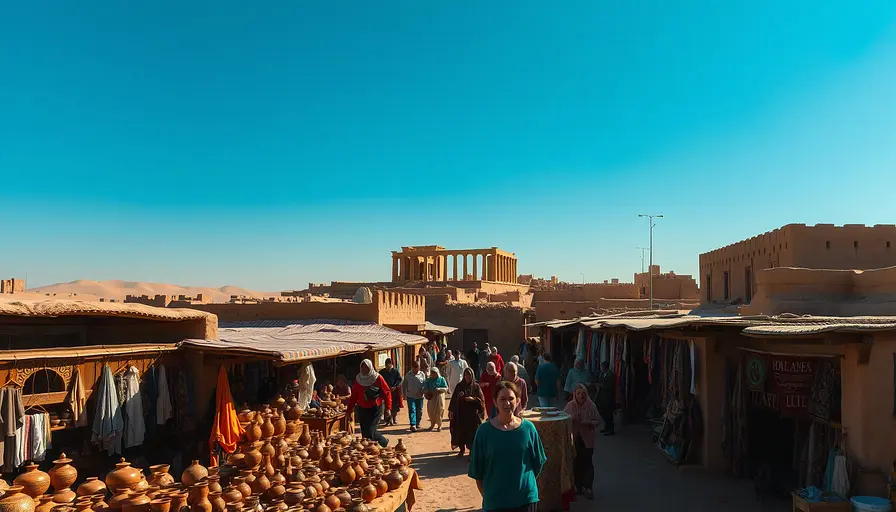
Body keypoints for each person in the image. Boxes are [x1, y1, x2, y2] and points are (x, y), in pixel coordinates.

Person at [468, 380, 546, 512]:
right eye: (502, 399)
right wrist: (489, 495)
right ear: (495, 402)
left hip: (525, 501)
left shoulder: (528, 429)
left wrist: (524, 486)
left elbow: (538, 463)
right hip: (496, 502)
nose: (507, 403)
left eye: (511, 398)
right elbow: (478, 470)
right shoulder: (484, 432)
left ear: (518, 401)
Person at [345, 359, 392, 447]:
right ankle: (369, 450)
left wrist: (388, 408)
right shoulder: (359, 379)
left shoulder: (377, 378)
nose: (364, 369)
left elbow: (387, 392)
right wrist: (349, 410)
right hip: (362, 408)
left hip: (375, 407)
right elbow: (354, 396)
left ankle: (383, 441)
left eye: (366, 367)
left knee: (371, 430)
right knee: (365, 433)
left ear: (370, 367)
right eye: (362, 367)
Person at [564, 383, 599, 499]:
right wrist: (571, 419)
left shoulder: (591, 406)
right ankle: (578, 486)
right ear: (575, 394)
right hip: (574, 438)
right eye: (578, 393)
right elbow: (564, 420)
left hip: (587, 439)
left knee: (587, 462)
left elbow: (597, 421)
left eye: (583, 393)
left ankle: (588, 487)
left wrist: (589, 422)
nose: (581, 396)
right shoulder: (570, 406)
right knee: (576, 462)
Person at [448, 367, 485, 457]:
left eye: (469, 375)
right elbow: (454, 398)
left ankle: (472, 451)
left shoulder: (476, 386)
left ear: (472, 375)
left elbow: (481, 400)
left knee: (472, 434)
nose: (467, 377)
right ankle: (462, 450)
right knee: (460, 432)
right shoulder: (459, 386)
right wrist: (451, 410)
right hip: (460, 414)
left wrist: (473, 399)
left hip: (472, 416)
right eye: (466, 375)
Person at [402, 360, 426, 432]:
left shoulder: (422, 374)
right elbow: (404, 384)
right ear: (412, 367)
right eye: (415, 367)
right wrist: (404, 394)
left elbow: (425, 384)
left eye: (417, 367)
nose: (416, 368)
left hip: (420, 396)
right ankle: (413, 424)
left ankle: (418, 422)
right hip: (410, 396)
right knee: (412, 409)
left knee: (419, 410)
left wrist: (422, 391)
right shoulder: (408, 375)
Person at [378, 358, 403, 426]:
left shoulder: (395, 371)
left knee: (394, 405)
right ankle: (388, 420)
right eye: (387, 365)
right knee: (386, 406)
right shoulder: (382, 372)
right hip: (385, 392)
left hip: (394, 392)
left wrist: (395, 386)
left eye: (389, 365)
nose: (388, 367)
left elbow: (399, 380)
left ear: (391, 364)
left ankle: (394, 418)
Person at [596, 361, 616, 436]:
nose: (601, 368)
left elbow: (611, 386)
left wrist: (601, 385)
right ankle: (606, 427)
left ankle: (611, 429)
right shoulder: (602, 374)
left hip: (608, 397)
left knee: (608, 413)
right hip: (602, 396)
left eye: (602, 366)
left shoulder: (610, 375)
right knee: (602, 411)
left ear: (605, 367)